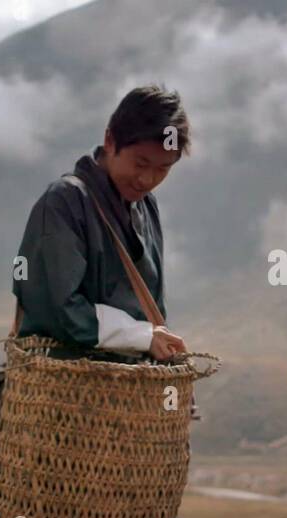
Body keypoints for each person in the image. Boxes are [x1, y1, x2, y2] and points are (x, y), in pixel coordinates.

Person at [13, 85, 190, 361]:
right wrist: (142, 336)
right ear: (110, 140)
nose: (147, 179)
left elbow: (152, 306)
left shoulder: (146, 205)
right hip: (68, 392)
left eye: (162, 168)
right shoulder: (64, 202)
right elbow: (55, 306)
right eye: (140, 163)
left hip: (131, 392)